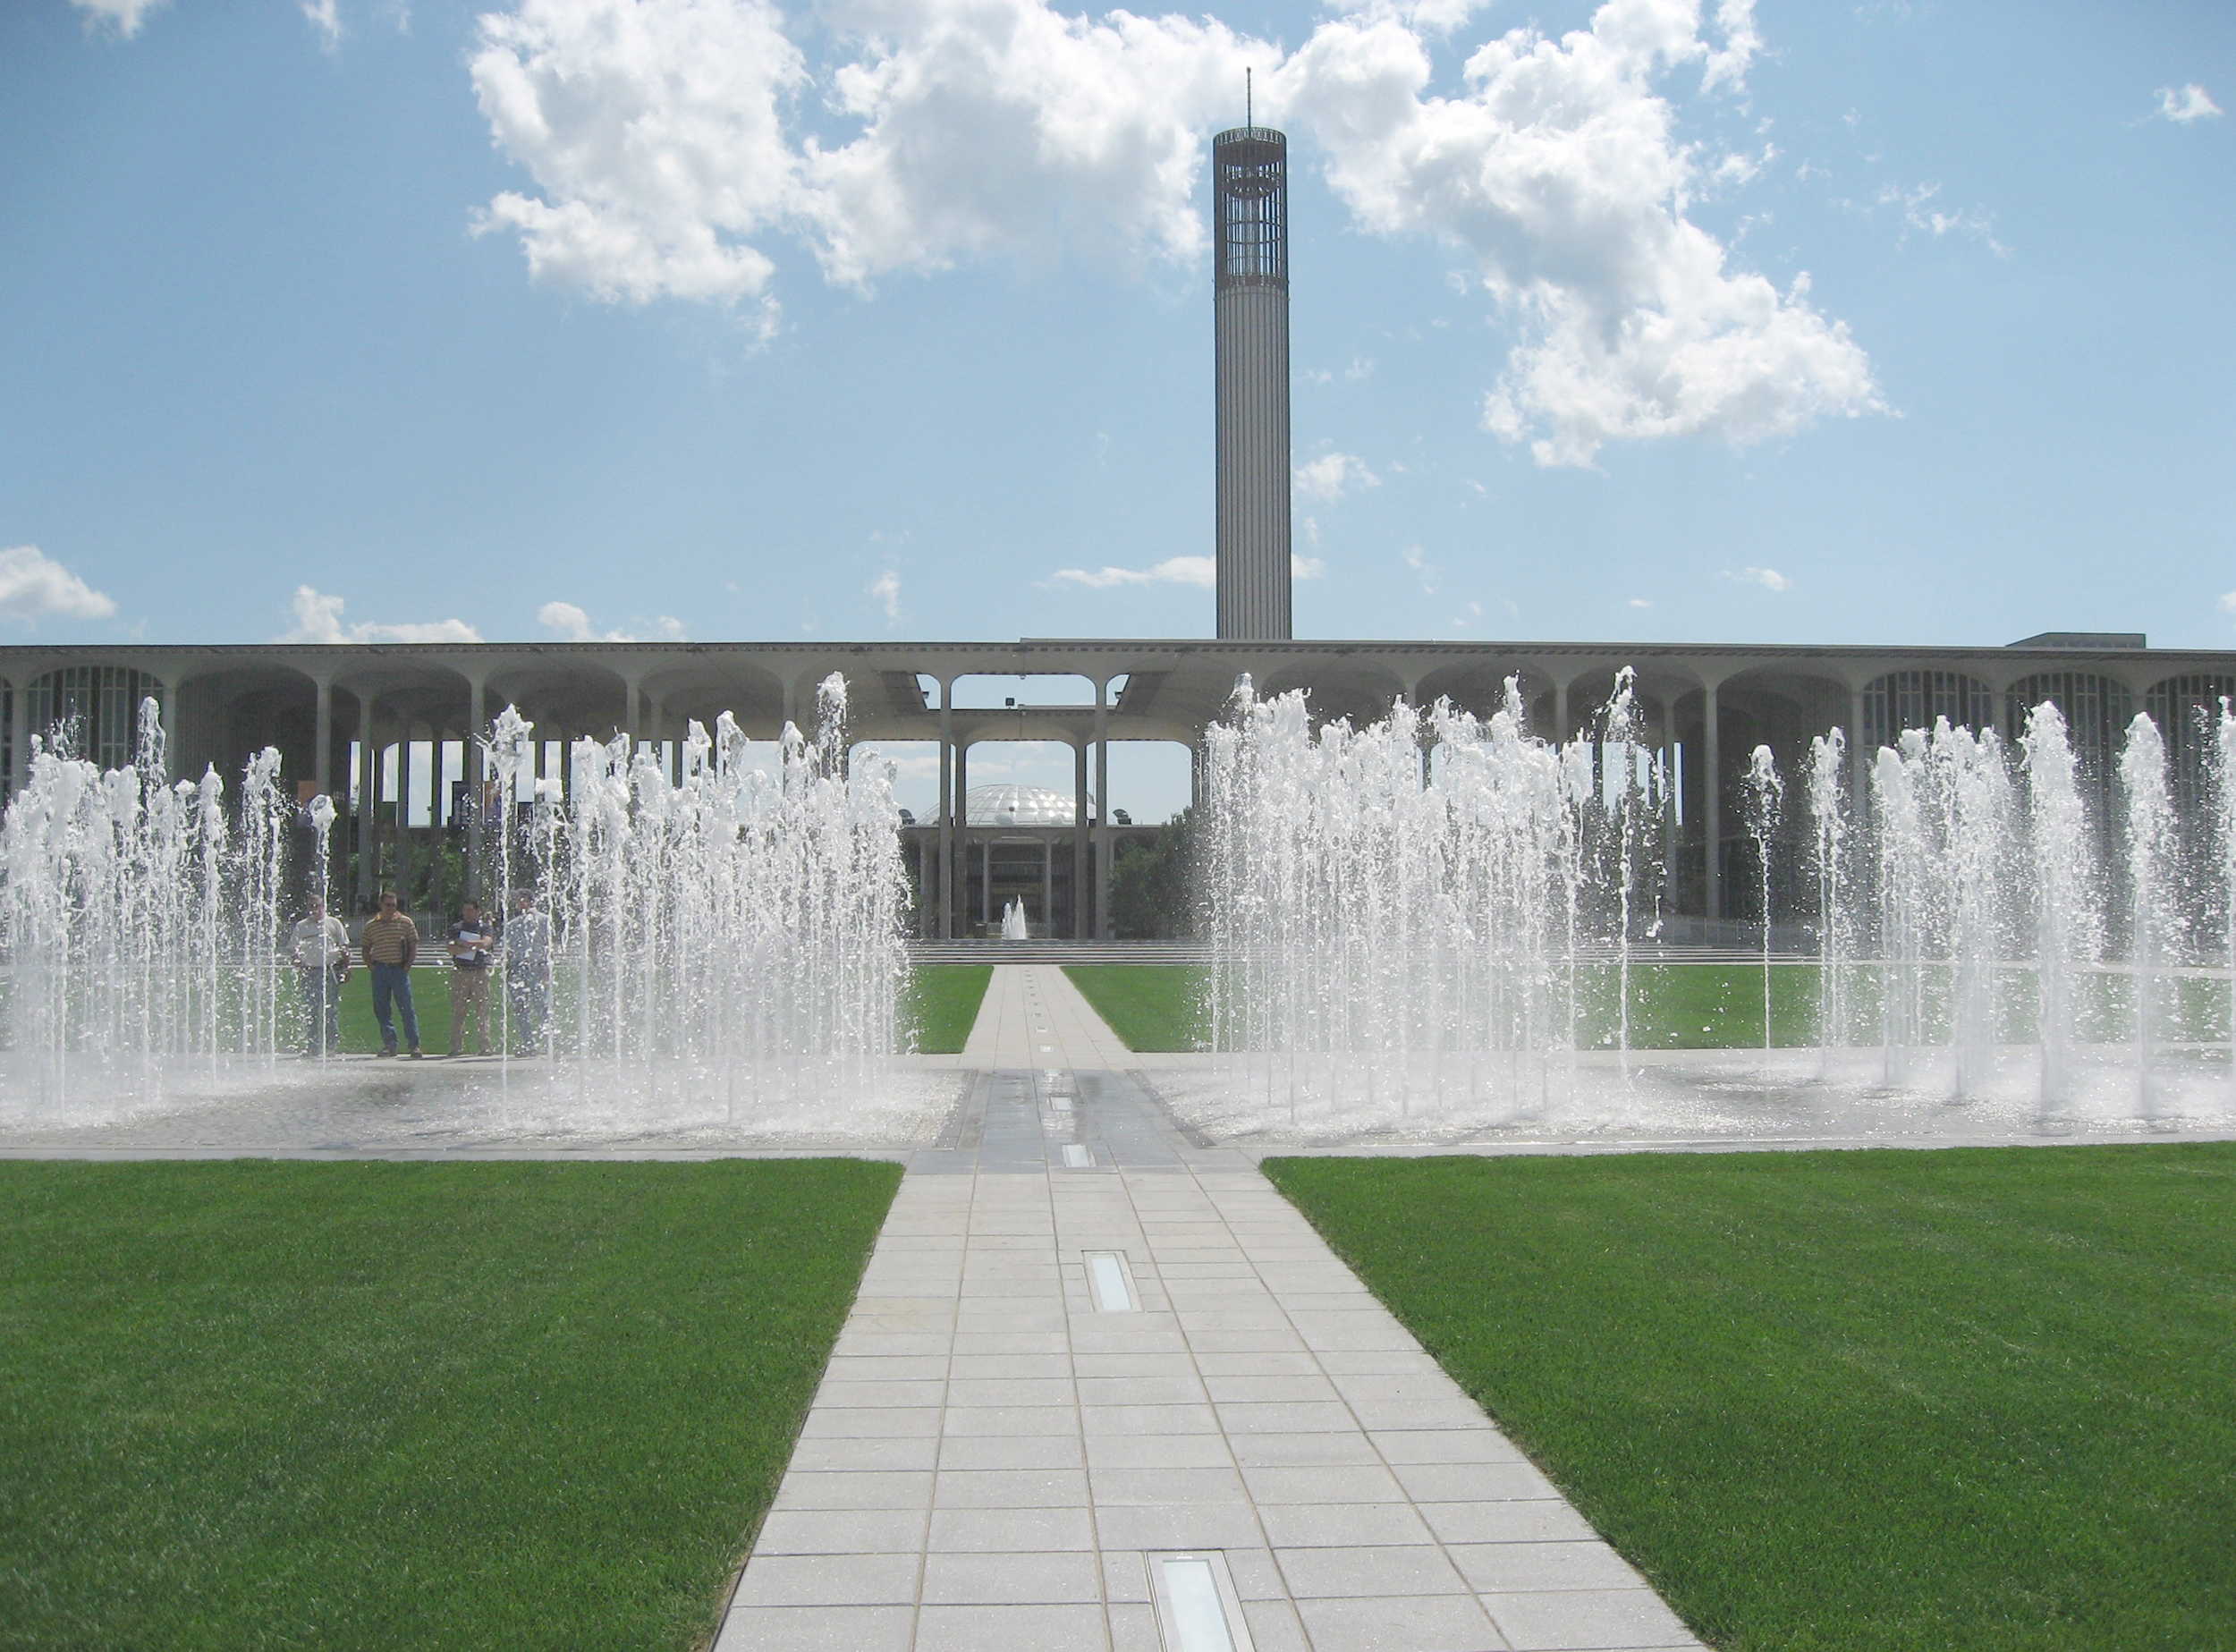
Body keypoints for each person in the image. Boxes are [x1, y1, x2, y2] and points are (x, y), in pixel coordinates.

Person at [360, 890, 423, 1058]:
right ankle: (390, 1044)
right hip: (380, 970)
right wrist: (372, 967)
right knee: (382, 1009)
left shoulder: (405, 922)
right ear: (381, 905)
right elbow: (365, 948)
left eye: (394, 905)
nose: (391, 908)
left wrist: (406, 967)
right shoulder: (371, 925)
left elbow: (413, 945)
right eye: (388, 905)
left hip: (398, 969)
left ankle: (414, 1045)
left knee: (406, 1008)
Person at [290, 896, 351, 1056]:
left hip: (330, 970)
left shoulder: (333, 923)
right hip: (310, 972)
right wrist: (298, 963)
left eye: (317, 905)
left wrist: (346, 967)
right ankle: (312, 1046)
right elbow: (293, 949)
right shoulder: (302, 926)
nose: (314, 909)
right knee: (311, 1010)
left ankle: (330, 1046)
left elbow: (344, 947)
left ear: (324, 906)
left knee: (330, 1009)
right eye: (311, 906)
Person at [502, 888, 551, 1055]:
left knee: (541, 1005)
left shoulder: (543, 920)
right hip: (517, 967)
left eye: (522, 899)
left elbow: (548, 946)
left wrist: (546, 970)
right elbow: (510, 949)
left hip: (536, 966)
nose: (519, 903)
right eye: (516, 900)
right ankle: (529, 1042)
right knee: (520, 1006)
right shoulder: (512, 924)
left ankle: (549, 1041)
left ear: (530, 901)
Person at [446, 898, 496, 1057]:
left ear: (478, 911)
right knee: (458, 1011)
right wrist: (470, 946)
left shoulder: (485, 928)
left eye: (470, 910)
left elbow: (486, 943)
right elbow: (451, 948)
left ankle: (485, 1046)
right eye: (465, 910)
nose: (467, 913)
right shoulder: (456, 928)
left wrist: (466, 944)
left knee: (482, 1010)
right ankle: (455, 1047)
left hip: (480, 972)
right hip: (461, 972)